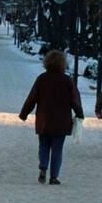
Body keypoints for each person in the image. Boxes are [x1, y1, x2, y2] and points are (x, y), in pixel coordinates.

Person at [19, 49, 84, 185]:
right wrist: (79, 113)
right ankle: (54, 177)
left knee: (43, 145)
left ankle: (43, 166)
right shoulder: (67, 80)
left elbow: (32, 98)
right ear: (62, 63)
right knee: (57, 149)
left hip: (44, 120)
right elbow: (74, 99)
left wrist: (24, 113)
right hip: (61, 121)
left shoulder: (42, 79)